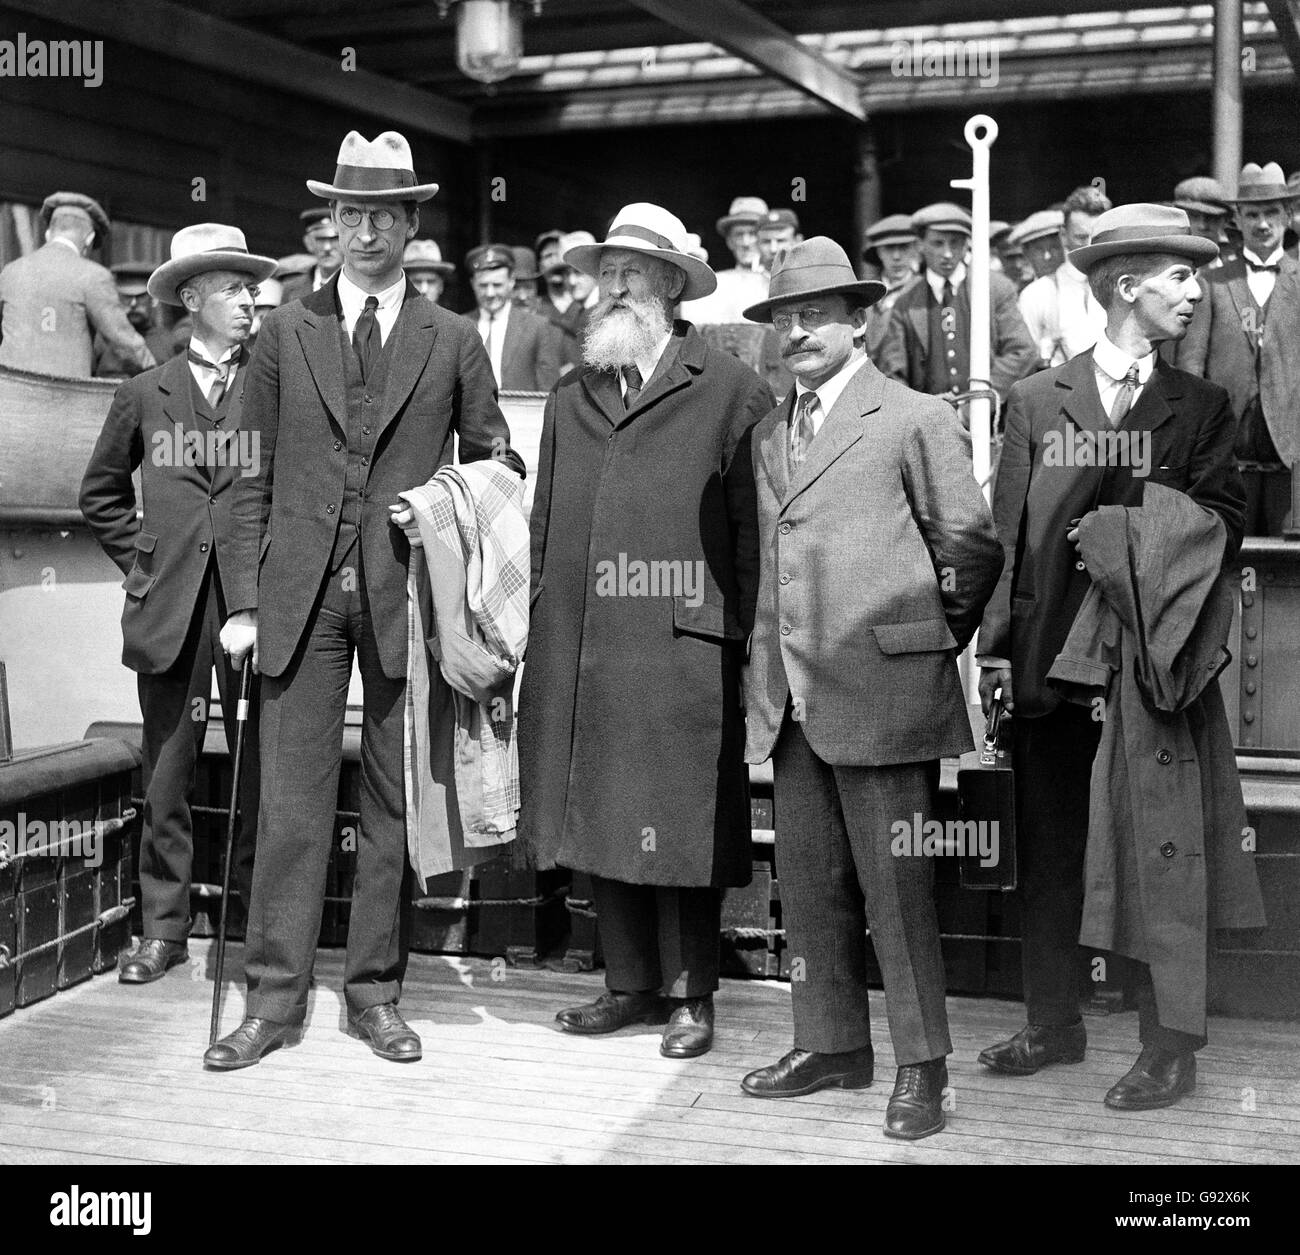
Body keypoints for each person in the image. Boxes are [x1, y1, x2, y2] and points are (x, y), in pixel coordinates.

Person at [207, 130, 523, 1071]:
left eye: (386, 214)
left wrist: (438, 504)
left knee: (394, 803)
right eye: (351, 214)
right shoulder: (280, 333)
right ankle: (272, 999)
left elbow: (500, 462)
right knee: (292, 807)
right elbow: (243, 476)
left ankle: (376, 993)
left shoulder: (452, 337)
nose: (368, 229)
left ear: (411, 224)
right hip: (295, 603)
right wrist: (245, 599)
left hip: (406, 601)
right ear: (331, 226)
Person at [977, 203, 1258, 1110]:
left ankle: (1167, 1043)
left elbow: (1226, 528)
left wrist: (1122, 538)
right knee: (1050, 847)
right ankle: (1051, 1020)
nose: (1194, 291)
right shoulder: (1032, 401)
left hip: (1154, 670)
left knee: (1162, 857)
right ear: (1125, 284)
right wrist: (995, 655)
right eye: (1179, 276)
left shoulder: (1206, 408)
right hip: (1053, 666)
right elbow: (1006, 540)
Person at [738, 237, 1002, 1139]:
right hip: (794, 701)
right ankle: (833, 1043)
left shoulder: (913, 416)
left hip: (883, 695)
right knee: (809, 884)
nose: (798, 331)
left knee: (899, 891)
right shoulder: (770, 430)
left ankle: (923, 1065)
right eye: (784, 318)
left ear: (859, 320)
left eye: (816, 314)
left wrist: (924, 644)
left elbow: (970, 546)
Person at [519, 203, 773, 1060]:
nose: (614, 285)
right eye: (606, 269)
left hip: (685, 643)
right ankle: (627, 982)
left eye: (632, 269)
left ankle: (693, 994)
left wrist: (738, 640)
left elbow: (755, 537)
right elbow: (545, 520)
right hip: (587, 641)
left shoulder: (733, 388)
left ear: (671, 283)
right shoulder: (573, 390)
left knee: (682, 819)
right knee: (598, 807)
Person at [79, 223, 277, 986]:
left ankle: (253, 927)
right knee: (167, 775)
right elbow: (99, 493)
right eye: (230, 288)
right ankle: (163, 930)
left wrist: (266, 585)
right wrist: (144, 562)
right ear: (191, 298)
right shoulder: (143, 392)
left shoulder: (274, 386)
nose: (248, 301)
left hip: (255, 609)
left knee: (262, 770)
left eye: (250, 287)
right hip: (171, 613)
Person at [1175, 162, 1299, 536]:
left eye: (1271, 213)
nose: (1262, 224)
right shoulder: (1211, 281)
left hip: (1291, 457)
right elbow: (1191, 366)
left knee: (1289, 568)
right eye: (1253, 214)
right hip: (1227, 453)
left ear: (1288, 215)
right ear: (1239, 220)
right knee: (1226, 553)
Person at [880, 202, 1036, 409]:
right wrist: (921, 410)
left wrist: (979, 404)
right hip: (929, 424)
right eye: (938, 243)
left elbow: (1022, 351)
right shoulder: (905, 301)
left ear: (966, 246)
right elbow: (893, 372)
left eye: (955, 243)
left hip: (992, 424)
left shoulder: (995, 288)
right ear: (920, 246)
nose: (947, 253)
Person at [0, 192, 155, 378]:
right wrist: (155, 374)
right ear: (89, 240)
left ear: (48, 233)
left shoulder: (10, 271)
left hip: (9, 395)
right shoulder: (93, 276)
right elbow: (123, 341)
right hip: (65, 397)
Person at [1018, 186, 1111, 368]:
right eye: (1081, 237)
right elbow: (1025, 363)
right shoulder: (1037, 294)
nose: (1090, 245)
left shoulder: (1125, 288)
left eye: (1098, 237)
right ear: (1063, 236)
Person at [464, 243, 563, 392]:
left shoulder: (537, 327)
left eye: (497, 285)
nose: (490, 293)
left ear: (511, 282)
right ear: (472, 284)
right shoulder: (459, 325)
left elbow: (548, 391)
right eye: (483, 285)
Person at [679, 196, 770, 325]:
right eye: (739, 235)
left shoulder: (778, 282)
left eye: (753, 234)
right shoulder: (717, 285)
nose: (746, 243)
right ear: (729, 241)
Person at [93, 261, 178, 376]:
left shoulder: (170, 344)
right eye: (126, 297)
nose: (133, 303)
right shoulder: (101, 342)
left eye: (140, 297)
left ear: (154, 300)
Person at [860, 213, 921, 366]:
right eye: (889, 248)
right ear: (879, 252)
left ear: (915, 249)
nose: (896, 256)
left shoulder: (924, 292)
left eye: (903, 248)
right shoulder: (866, 294)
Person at [278, 206, 342, 303]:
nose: (327, 248)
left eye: (334, 239)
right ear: (308, 243)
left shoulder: (360, 283)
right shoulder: (292, 289)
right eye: (320, 240)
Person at [1172, 176, 1233, 262]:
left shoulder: (1239, 270)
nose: (1203, 226)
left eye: (1211, 217)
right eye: (1194, 216)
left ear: (1225, 221)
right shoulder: (1164, 269)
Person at [1008, 210, 1066, 280]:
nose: (1047, 256)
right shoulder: (1028, 290)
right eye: (1039, 250)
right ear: (1027, 254)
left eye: (1054, 247)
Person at [402, 238, 455, 307]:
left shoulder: (451, 318)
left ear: (440, 286)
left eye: (431, 282)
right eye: (417, 282)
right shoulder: (390, 317)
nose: (424, 290)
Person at [756, 208, 801, 273]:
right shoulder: (746, 281)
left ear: (798, 241)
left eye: (780, 241)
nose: (773, 249)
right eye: (766, 242)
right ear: (757, 244)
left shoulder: (812, 279)